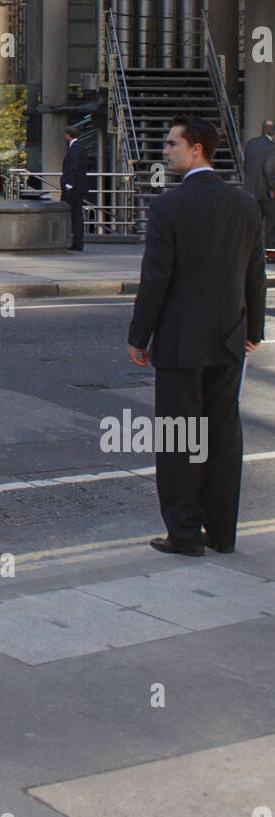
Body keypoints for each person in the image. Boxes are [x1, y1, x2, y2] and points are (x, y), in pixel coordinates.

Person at [127, 115, 266, 556]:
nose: (165, 151)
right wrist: (255, 330)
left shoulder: (168, 206)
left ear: (196, 150)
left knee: (178, 438)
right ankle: (223, 534)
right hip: (229, 339)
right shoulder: (245, 205)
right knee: (223, 437)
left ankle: (184, 534)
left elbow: (156, 280)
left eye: (171, 144)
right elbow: (256, 274)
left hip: (179, 343)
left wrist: (139, 336)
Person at [242, 118, 275, 251]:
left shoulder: (250, 143)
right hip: (266, 192)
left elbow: (246, 166)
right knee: (271, 224)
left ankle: (250, 250)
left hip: (249, 189)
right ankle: (269, 251)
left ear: (262, 130)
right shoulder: (272, 147)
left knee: (253, 223)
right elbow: (269, 171)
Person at [61, 126, 89, 251]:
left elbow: (73, 166)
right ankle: (77, 242)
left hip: (74, 187)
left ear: (68, 135)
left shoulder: (75, 148)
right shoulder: (79, 147)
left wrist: (69, 183)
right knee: (77, 214)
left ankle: (74, 242)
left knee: (70, 213)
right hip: (79, 186)